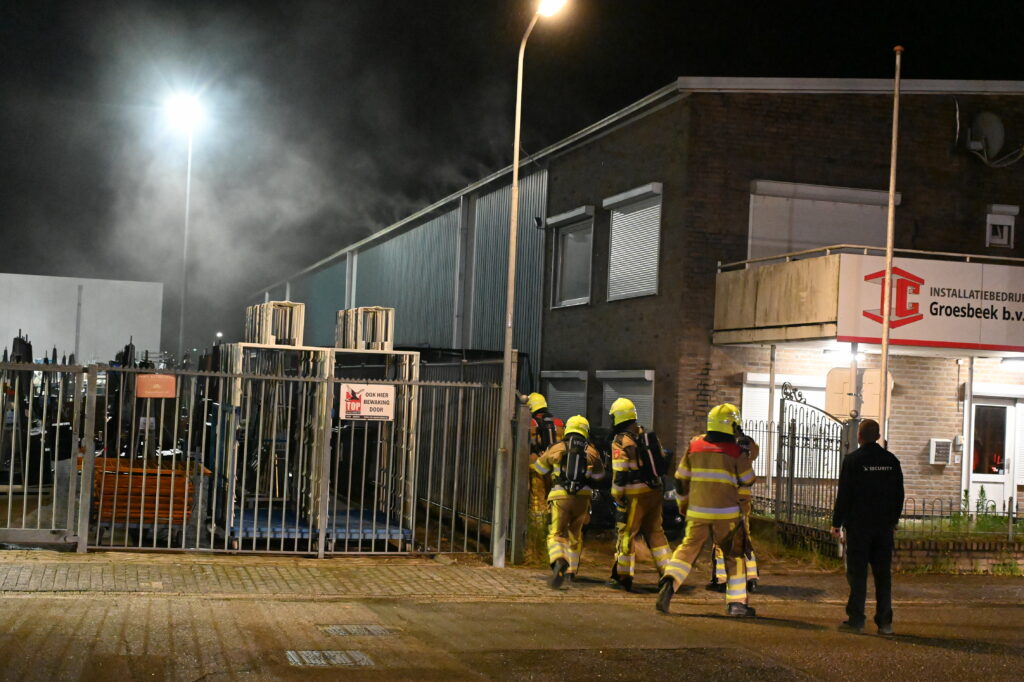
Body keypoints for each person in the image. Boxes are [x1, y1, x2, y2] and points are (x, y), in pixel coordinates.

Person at [656, 403, 756, 616]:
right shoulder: (736, 451)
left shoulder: (695, 445)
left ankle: (670, 581)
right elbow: (748, 479)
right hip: (727, 514)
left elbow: (680, 478)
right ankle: (737, 604)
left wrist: (683, 504)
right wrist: (744, 455)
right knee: (733, 555)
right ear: (733, 425)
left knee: (687, 549)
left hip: (697, 512)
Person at [830, 419, 904, 636]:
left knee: (857, 574)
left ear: (859, 437)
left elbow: (844, 494)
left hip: (859, 527)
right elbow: (899, 495)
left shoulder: (853, 460)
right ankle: (885, 622)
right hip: (883, 527)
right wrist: (893, 520)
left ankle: (856, 619)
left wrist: (836, 523)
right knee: (883, 576)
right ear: (878, 436)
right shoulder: (891, 461)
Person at [531, 415, 606, 588]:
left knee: (557, 533)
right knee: (575, 535)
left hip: (560, 496)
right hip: (583, 497)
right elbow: (600, 476)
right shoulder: (592, 451)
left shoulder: (557, 448)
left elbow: (540, 468)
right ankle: (571, 571)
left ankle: (559, 559)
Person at [607, 397, 671, 592]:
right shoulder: (647, 435)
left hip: (635, 494)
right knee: (656, 532)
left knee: (627, 533)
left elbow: (620, 472)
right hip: (655, 490)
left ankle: (623, 577)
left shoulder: (620, 441)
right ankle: (669, 574)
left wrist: (617, 496)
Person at [708, 425, 760, 593]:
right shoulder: (749, 444)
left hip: (726, 497)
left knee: (720, 539)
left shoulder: (723, 446)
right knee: (745, 537)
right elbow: (754, 454)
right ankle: (751, 577)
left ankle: (721, 579)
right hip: (744, 497)